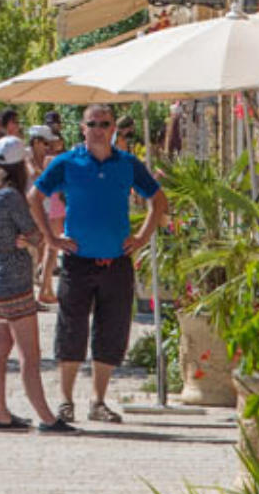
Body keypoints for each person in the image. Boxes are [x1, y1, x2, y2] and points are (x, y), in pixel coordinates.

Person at [33, 101, 165, 424]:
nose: (98, 130)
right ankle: (65, 401)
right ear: (82, 128)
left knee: (112, 331)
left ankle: (98, 400)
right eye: (92, 124)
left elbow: (158, 201)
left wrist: (142, 237)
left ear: (113, 128)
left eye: (104, 124)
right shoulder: (68, 162)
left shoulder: (128, 164)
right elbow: (34, 197)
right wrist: (51, 239)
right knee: (70, 330)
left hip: (116, 262)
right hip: (78, 261)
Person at [0, 136, 66, 431]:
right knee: (29, 353)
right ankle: (47, 417)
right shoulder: (12, 197)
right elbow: (36, 234)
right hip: (14, 279)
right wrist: (30, 238)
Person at [26, 122, 63, 304]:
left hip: (52, 204)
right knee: (33, 246)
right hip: (35, 206)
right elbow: (35, 176)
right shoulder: (26, 157)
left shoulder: (50, 159)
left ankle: (44, 286)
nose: (48, 147)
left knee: (51, 246)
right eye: (45, 143)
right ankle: (36, 289)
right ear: (35, 142)